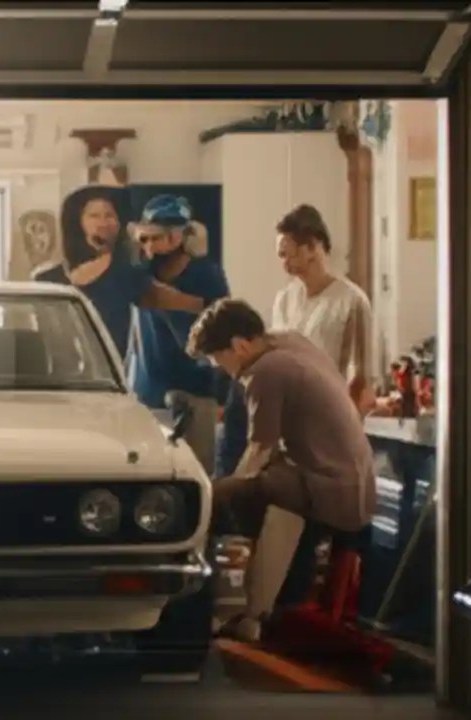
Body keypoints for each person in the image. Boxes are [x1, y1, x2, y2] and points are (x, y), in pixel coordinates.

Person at [186, 299, 377, 642]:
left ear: (239, 345)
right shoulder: (289, 340)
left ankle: (221, 609)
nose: (223, 370)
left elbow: (260, 449)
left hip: (329, 488)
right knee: (257, 491)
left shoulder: (265, 372)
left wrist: (217, 491)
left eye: (219, 360)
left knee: (215, 501)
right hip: (357, 484)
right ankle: (259, 604)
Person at [32, 186, 212, 361]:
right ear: (79, 222)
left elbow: (176, 300)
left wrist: (213, 306)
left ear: (120, 224)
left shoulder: (129, 275)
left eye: (109, 215)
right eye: (94, 215)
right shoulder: (46, 279)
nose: (103, 222)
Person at [127, 195, 230, 473]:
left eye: (156, 238)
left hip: (195, 391)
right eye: (144, 239)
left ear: (178, 238)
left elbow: (222, 331)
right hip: (149, 393)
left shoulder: (207, 276)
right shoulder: (142, 276)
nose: (149, 247)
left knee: (197, 472)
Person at [271, 204, 375, 411]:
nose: (284, 264)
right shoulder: (284, 299)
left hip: (332, 412)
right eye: (280, 256)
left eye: (288, 255)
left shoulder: (351, 300)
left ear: (312, 247)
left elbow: (361, 378)